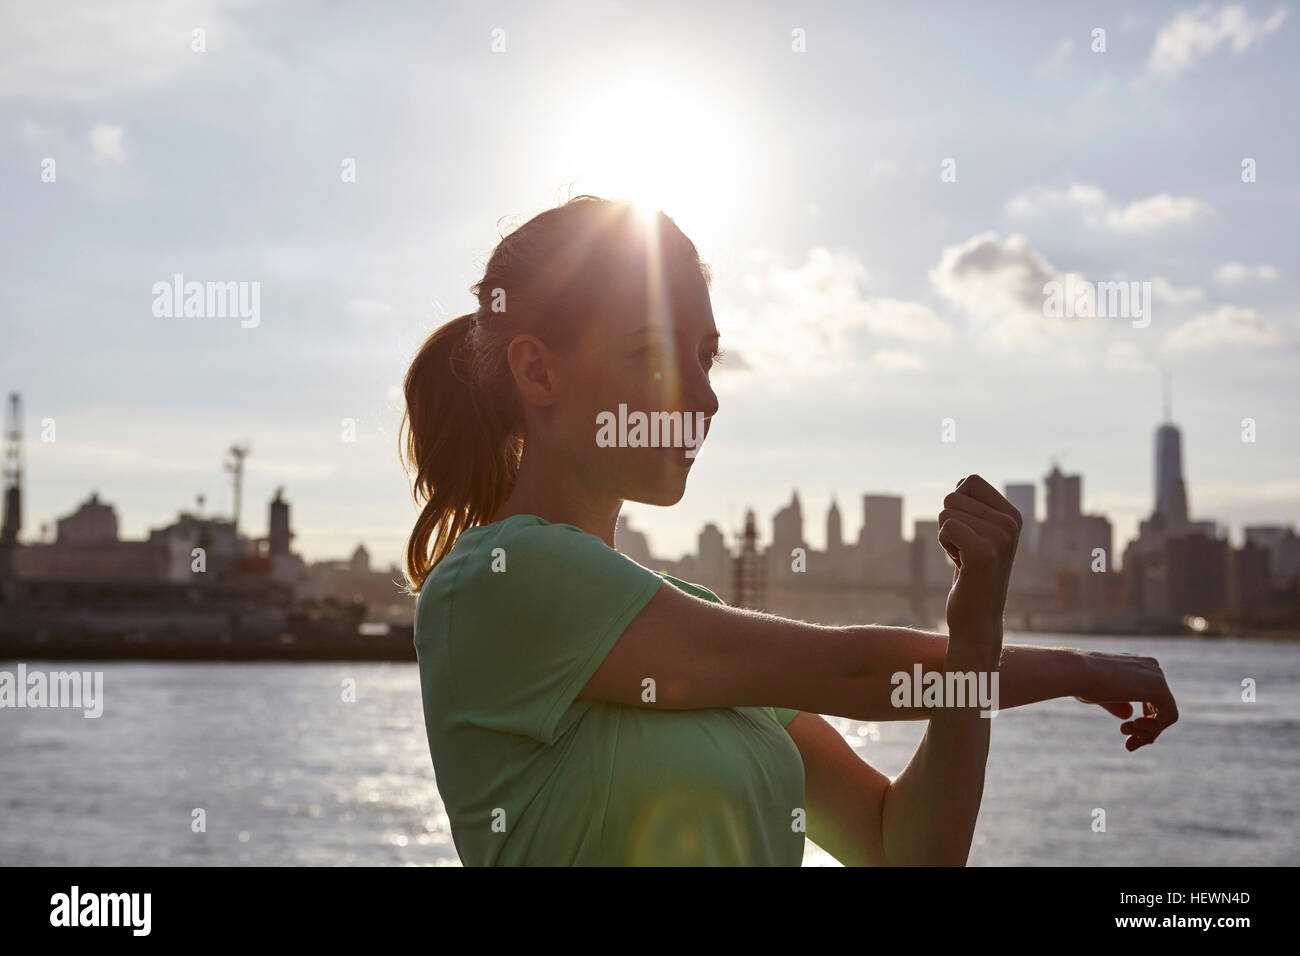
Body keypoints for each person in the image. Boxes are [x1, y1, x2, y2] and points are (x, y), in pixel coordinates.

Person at [400, 195, 1178, 866]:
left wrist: (975, 635)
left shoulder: (681, 620)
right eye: (655, 354)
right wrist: (1080, 670)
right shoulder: (502, 575)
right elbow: (853, 674)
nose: (702, 400)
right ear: (539, 373)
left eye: (707, 358)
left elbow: (901, 847)